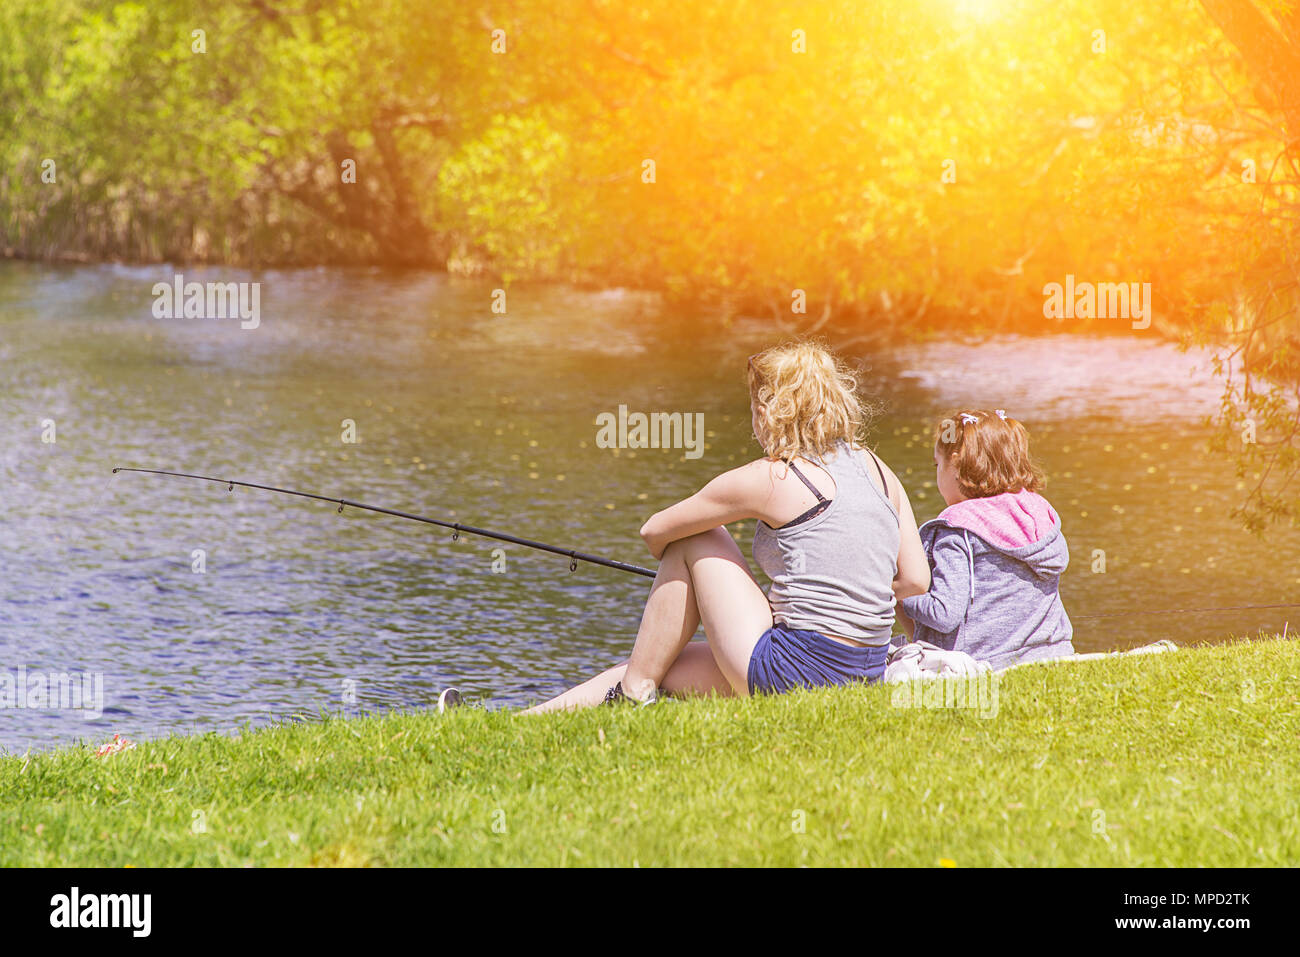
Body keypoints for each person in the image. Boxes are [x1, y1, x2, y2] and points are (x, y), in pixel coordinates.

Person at [521, 340, 929, 713]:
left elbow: (655, 530)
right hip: (861, 674)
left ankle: (632, 695)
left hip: (795, 671)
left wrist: (695, 586)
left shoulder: (776, 476)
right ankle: (530, 718)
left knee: (697, 535)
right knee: (656, 663)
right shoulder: (880, 471)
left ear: (768, 411)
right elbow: (915, 579)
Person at [896, 409, 1074, 670]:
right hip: (1052, 656)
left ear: (955, 465)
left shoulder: (957, 529)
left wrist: (897, 593)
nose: (937, 474)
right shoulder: (1037, 513)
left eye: (937, 465)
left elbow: (944, 613)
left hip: (984, 663)